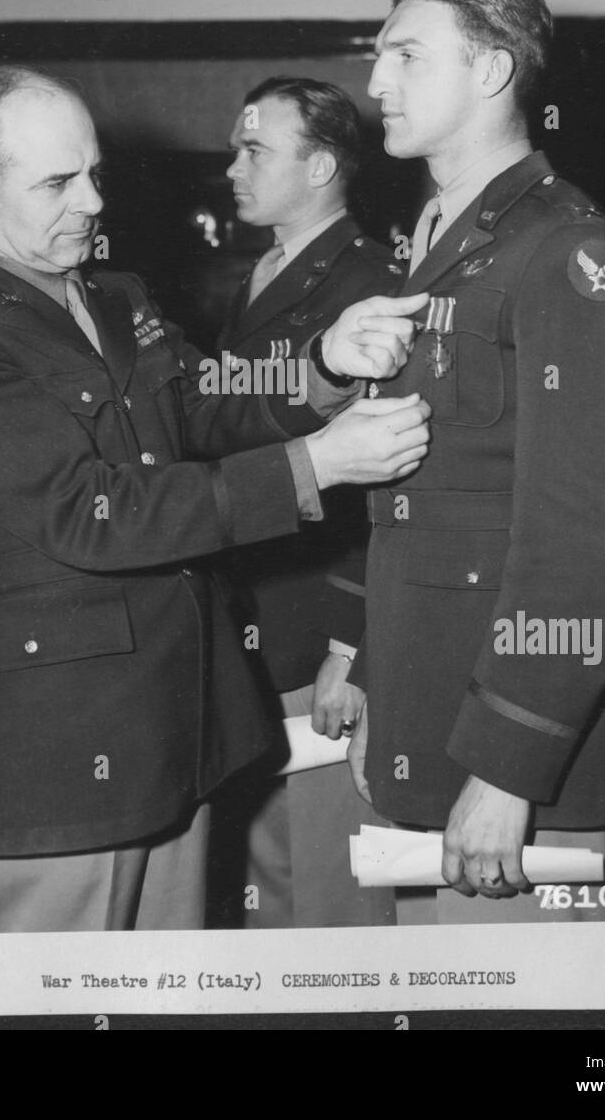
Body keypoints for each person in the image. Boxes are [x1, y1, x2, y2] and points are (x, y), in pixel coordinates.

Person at [0, 65, 431, 933]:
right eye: (57, 182)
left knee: (163, 990)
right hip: (61, 743)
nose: (91, 201)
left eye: (94, 174)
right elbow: (93, 513)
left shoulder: (114, 295)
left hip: (181, 720)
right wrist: (313, 465)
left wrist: (324, 370)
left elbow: (201, 406)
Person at [317, 0, 605, 922]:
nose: (375, 82)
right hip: (429, 725)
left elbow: (584, 543)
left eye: (406, 57)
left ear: (492, 71)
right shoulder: (446, 239)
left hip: (510, 774)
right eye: (377, 58)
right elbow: (429, 500)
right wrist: (373, 662)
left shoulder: (561, 252)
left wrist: (508, 767)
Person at [213, 77, 400, 928]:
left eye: (255, 150)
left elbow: (392, 478)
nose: (232, 167)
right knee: (270, 887)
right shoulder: (263, 270)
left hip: (317, 629)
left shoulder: (368, 285)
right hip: (255, 621)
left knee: (333, 898)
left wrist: (351, 646)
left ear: (321, 164)